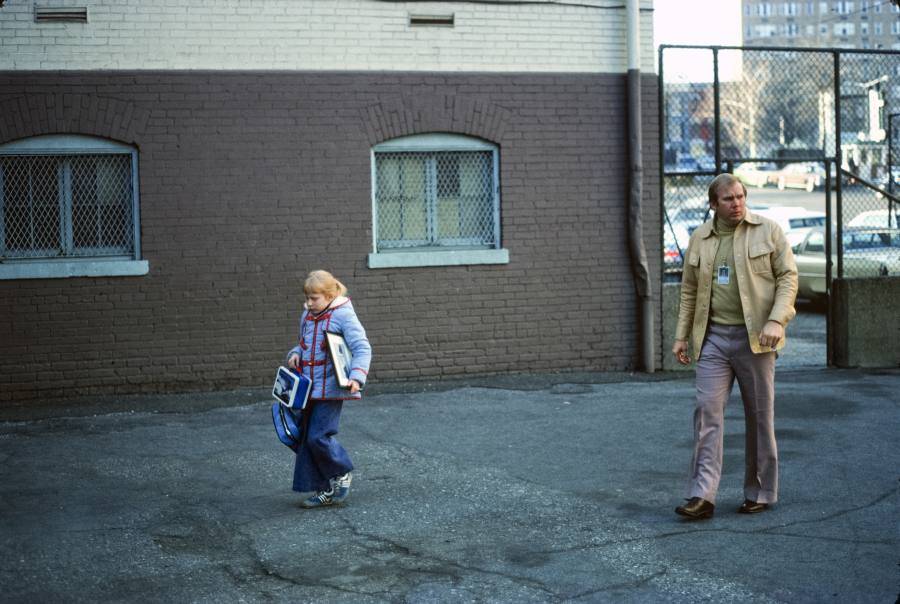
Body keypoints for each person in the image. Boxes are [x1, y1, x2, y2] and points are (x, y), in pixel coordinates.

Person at [672, 173, 798, 520]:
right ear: (713, 204)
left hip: (755, 340)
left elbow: (788, 277)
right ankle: (702, 495)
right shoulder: (700, 238)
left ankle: (759, 490)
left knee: (759, 417)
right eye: (728, 199)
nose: (737, 203)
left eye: (741, 196)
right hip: (713, 338)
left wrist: (776, 320)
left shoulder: (768, 231)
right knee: (706, 412)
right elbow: (689, 291)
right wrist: (682, 336)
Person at [285, 270, 372, 508]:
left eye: (314, 298)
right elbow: (303, 344)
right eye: (307, 298)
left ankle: (342, 471)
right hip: (308, 387)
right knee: (304, 439)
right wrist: (295, 354)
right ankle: (323, 490)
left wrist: (356, 377)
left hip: (332, 388)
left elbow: (362, 347)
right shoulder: (308, 315)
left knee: (318, 437)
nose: (308, 303)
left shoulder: (343, 315)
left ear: (330, 295)